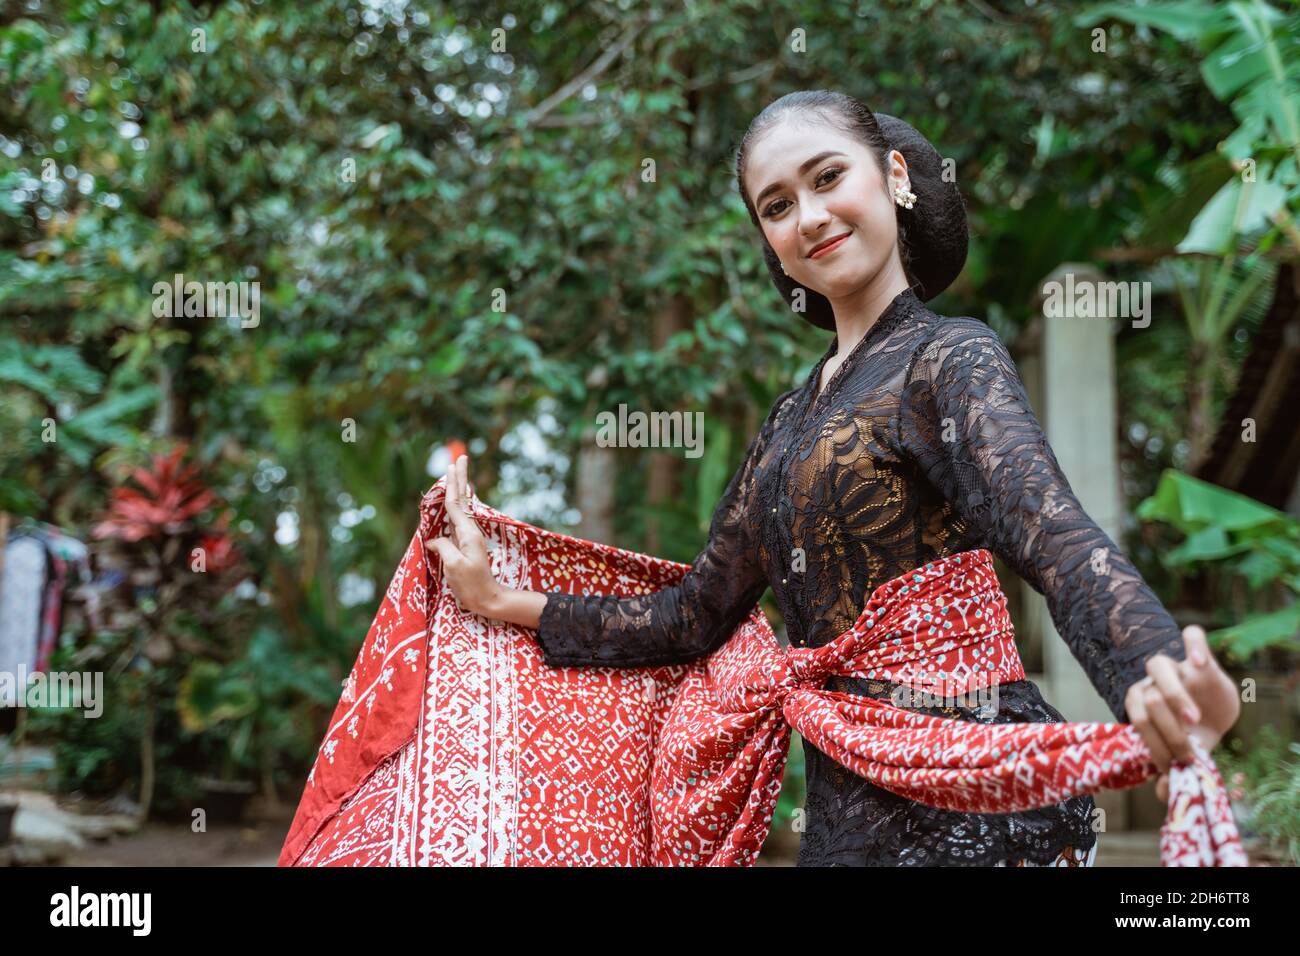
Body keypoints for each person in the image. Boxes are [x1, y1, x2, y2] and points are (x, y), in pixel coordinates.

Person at [426, 91, 1240, 867]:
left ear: (892, 177)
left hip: (973, 796)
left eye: (827, 177)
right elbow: (691, 616)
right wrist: (499, 599)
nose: (809, 216)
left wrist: (1153, 672)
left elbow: (1053, 535)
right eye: (776, 206)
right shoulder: (785, 425)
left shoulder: (948, 357)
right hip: (844, 808)